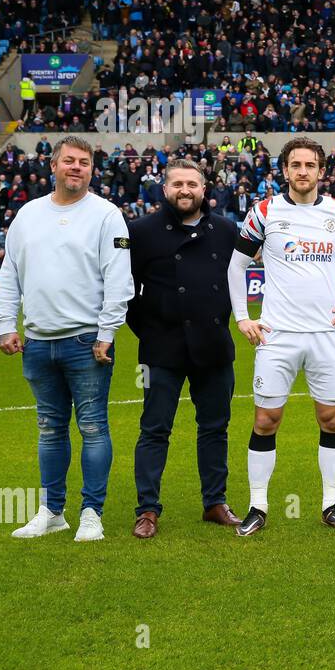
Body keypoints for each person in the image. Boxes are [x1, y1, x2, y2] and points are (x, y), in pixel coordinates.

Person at [226, 138, 335, 536]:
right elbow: (236, 265)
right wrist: (243, 317)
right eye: (295, 164)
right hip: (276, 336)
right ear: (285, 170)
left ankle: (331, 504)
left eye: (310, 165)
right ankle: (257, 506)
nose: (303, 171)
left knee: (332, 419)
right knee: (265, 420)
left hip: (326, 336)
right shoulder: (264, 212)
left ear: (321, 171)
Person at [0, 135, 134, 542]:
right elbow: (9, 275)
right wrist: (7, 325)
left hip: (86, 342)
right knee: (49, 429)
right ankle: (53, 511)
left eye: (85, 162)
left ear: (92, 170)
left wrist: (107, 332)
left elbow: (119, 279)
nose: (77, 167)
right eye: (69, 161)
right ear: (53, 166)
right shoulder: (27, 215)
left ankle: (92, 512)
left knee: (93, 427)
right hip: (37, 343)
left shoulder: (108, 216)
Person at [125, 159, 240, 539]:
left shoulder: (225, 230)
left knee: (215, 428)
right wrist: (149, 329)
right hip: (161, 350)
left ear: (204, 189)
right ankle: (147, 509)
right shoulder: (140, 231)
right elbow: (125, 292)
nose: (185, 190)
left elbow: (236, 286)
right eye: (177, 184)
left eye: (192, 183)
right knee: (154, 429)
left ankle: (215, 502)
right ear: (165, 189)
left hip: (214, 346)